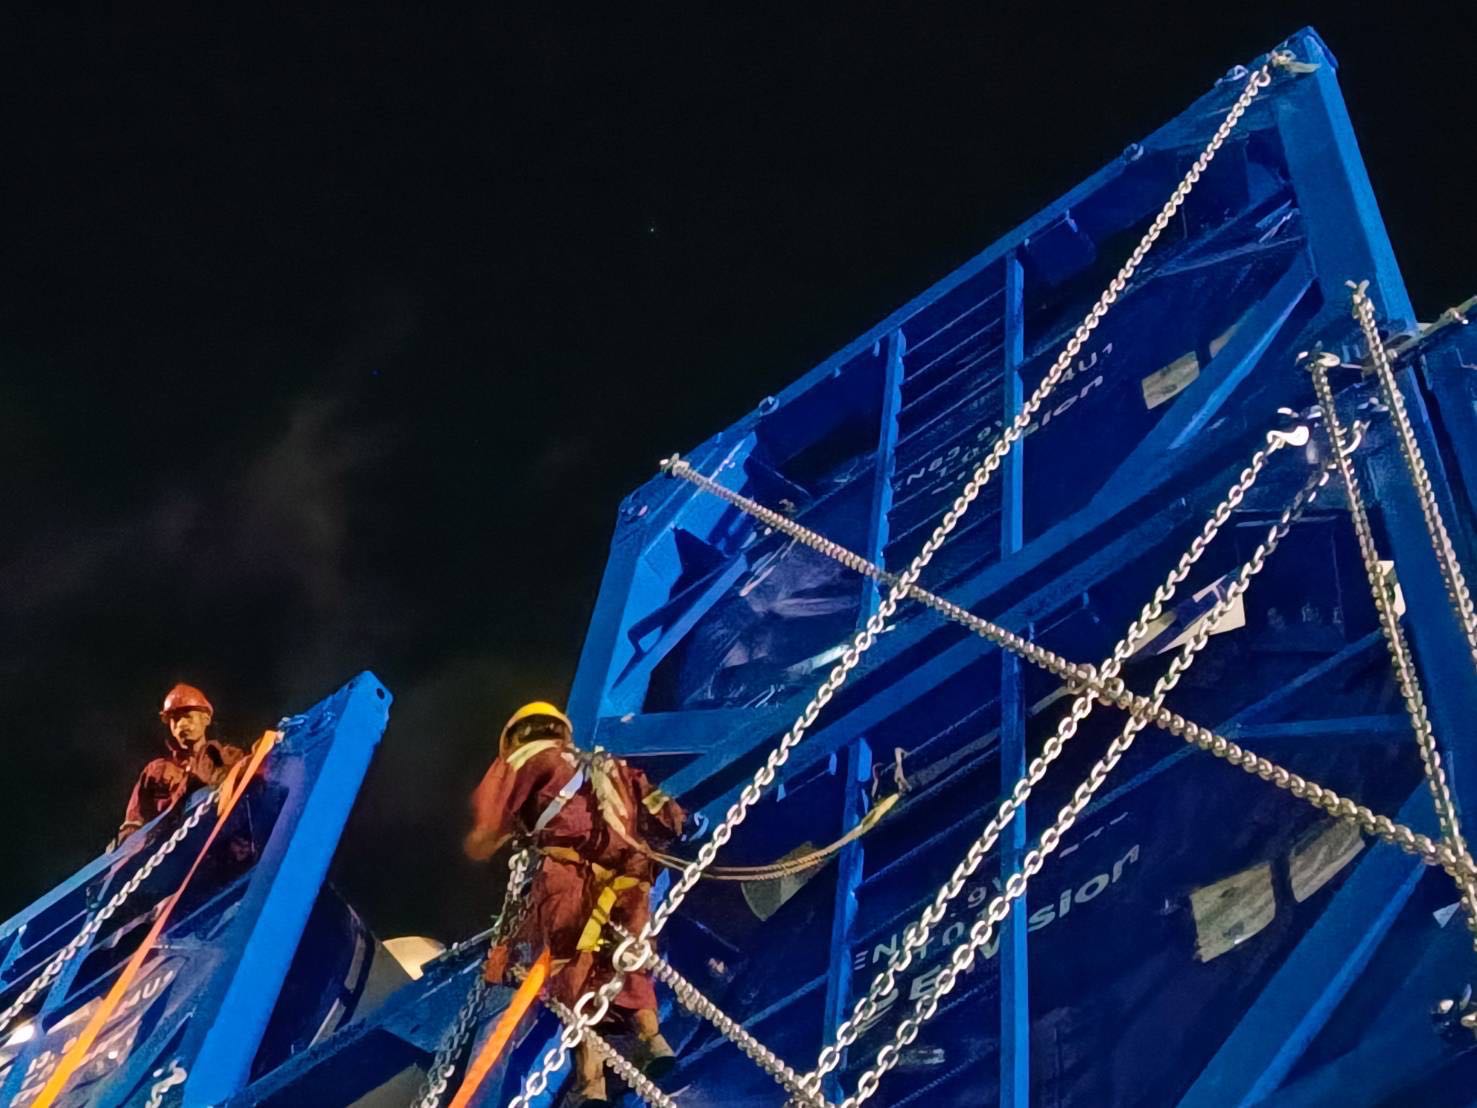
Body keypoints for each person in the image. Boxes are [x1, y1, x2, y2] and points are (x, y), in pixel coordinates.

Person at [465, 701, 685, 1107]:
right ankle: (654, 1042)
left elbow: (487, 826)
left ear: (518, 736)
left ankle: (591, 1082)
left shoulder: (528, 759)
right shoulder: (607, 764)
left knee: (574, 974)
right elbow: (666, 813)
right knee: (629, 960)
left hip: (571, 876)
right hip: (630, 877)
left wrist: (487, 841)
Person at [116, 683, 246, 845]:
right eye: (175, 719)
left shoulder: (227, 758)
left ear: (206, 719)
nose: (181, 724)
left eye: (187, 716)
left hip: (217, 846)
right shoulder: (156, 771)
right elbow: (133, 825)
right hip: (168, 856)